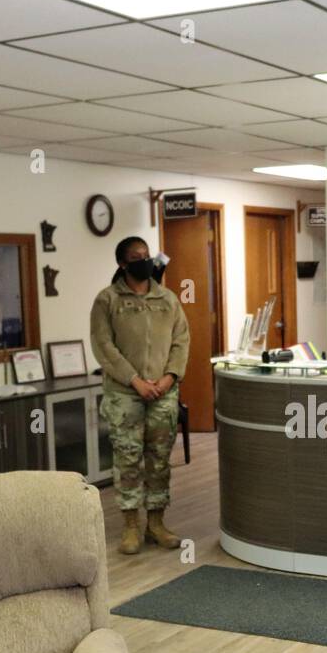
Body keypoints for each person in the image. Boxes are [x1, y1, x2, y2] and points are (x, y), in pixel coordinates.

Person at [90, 236, 190, 555]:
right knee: (128, 460)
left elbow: (181, 341)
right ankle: (131, 526)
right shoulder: (108, 300)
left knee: (159, 461)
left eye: (147, 255)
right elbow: (104, 347)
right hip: (125, 394)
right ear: (122, 263)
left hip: (163, 392)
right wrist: (135, 381)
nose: (144, 260)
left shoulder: (168, 299)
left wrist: (169, 377)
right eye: (136, 256)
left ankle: (156, 524)